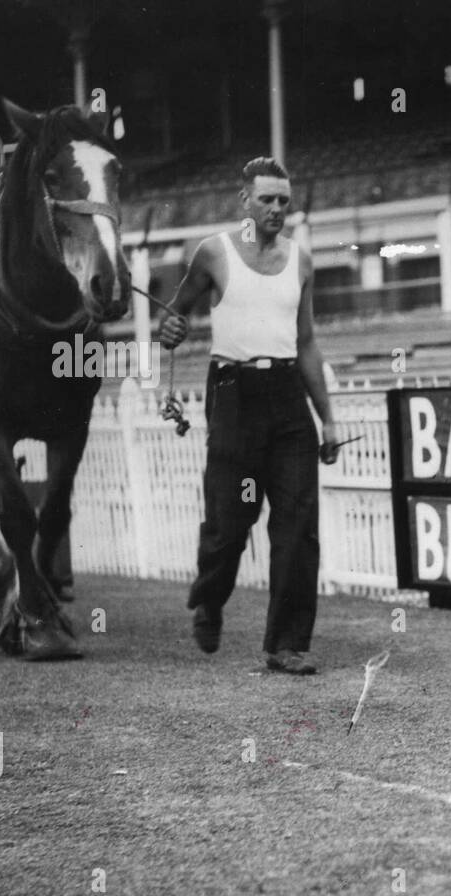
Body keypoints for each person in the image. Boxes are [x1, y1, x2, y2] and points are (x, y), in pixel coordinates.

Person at [158, 157, 338, 674]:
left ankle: (286, 644)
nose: (278, 208)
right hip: (234, 395)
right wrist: (170, 330)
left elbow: (306, 343)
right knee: (228, 524)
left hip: (288, 398)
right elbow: (176, 313)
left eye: (284, 200)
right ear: (245, 201)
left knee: (298, 526)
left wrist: (328, 419)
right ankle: (210, 600)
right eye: (267, 199)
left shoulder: (301, 260)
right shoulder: (214, 253)